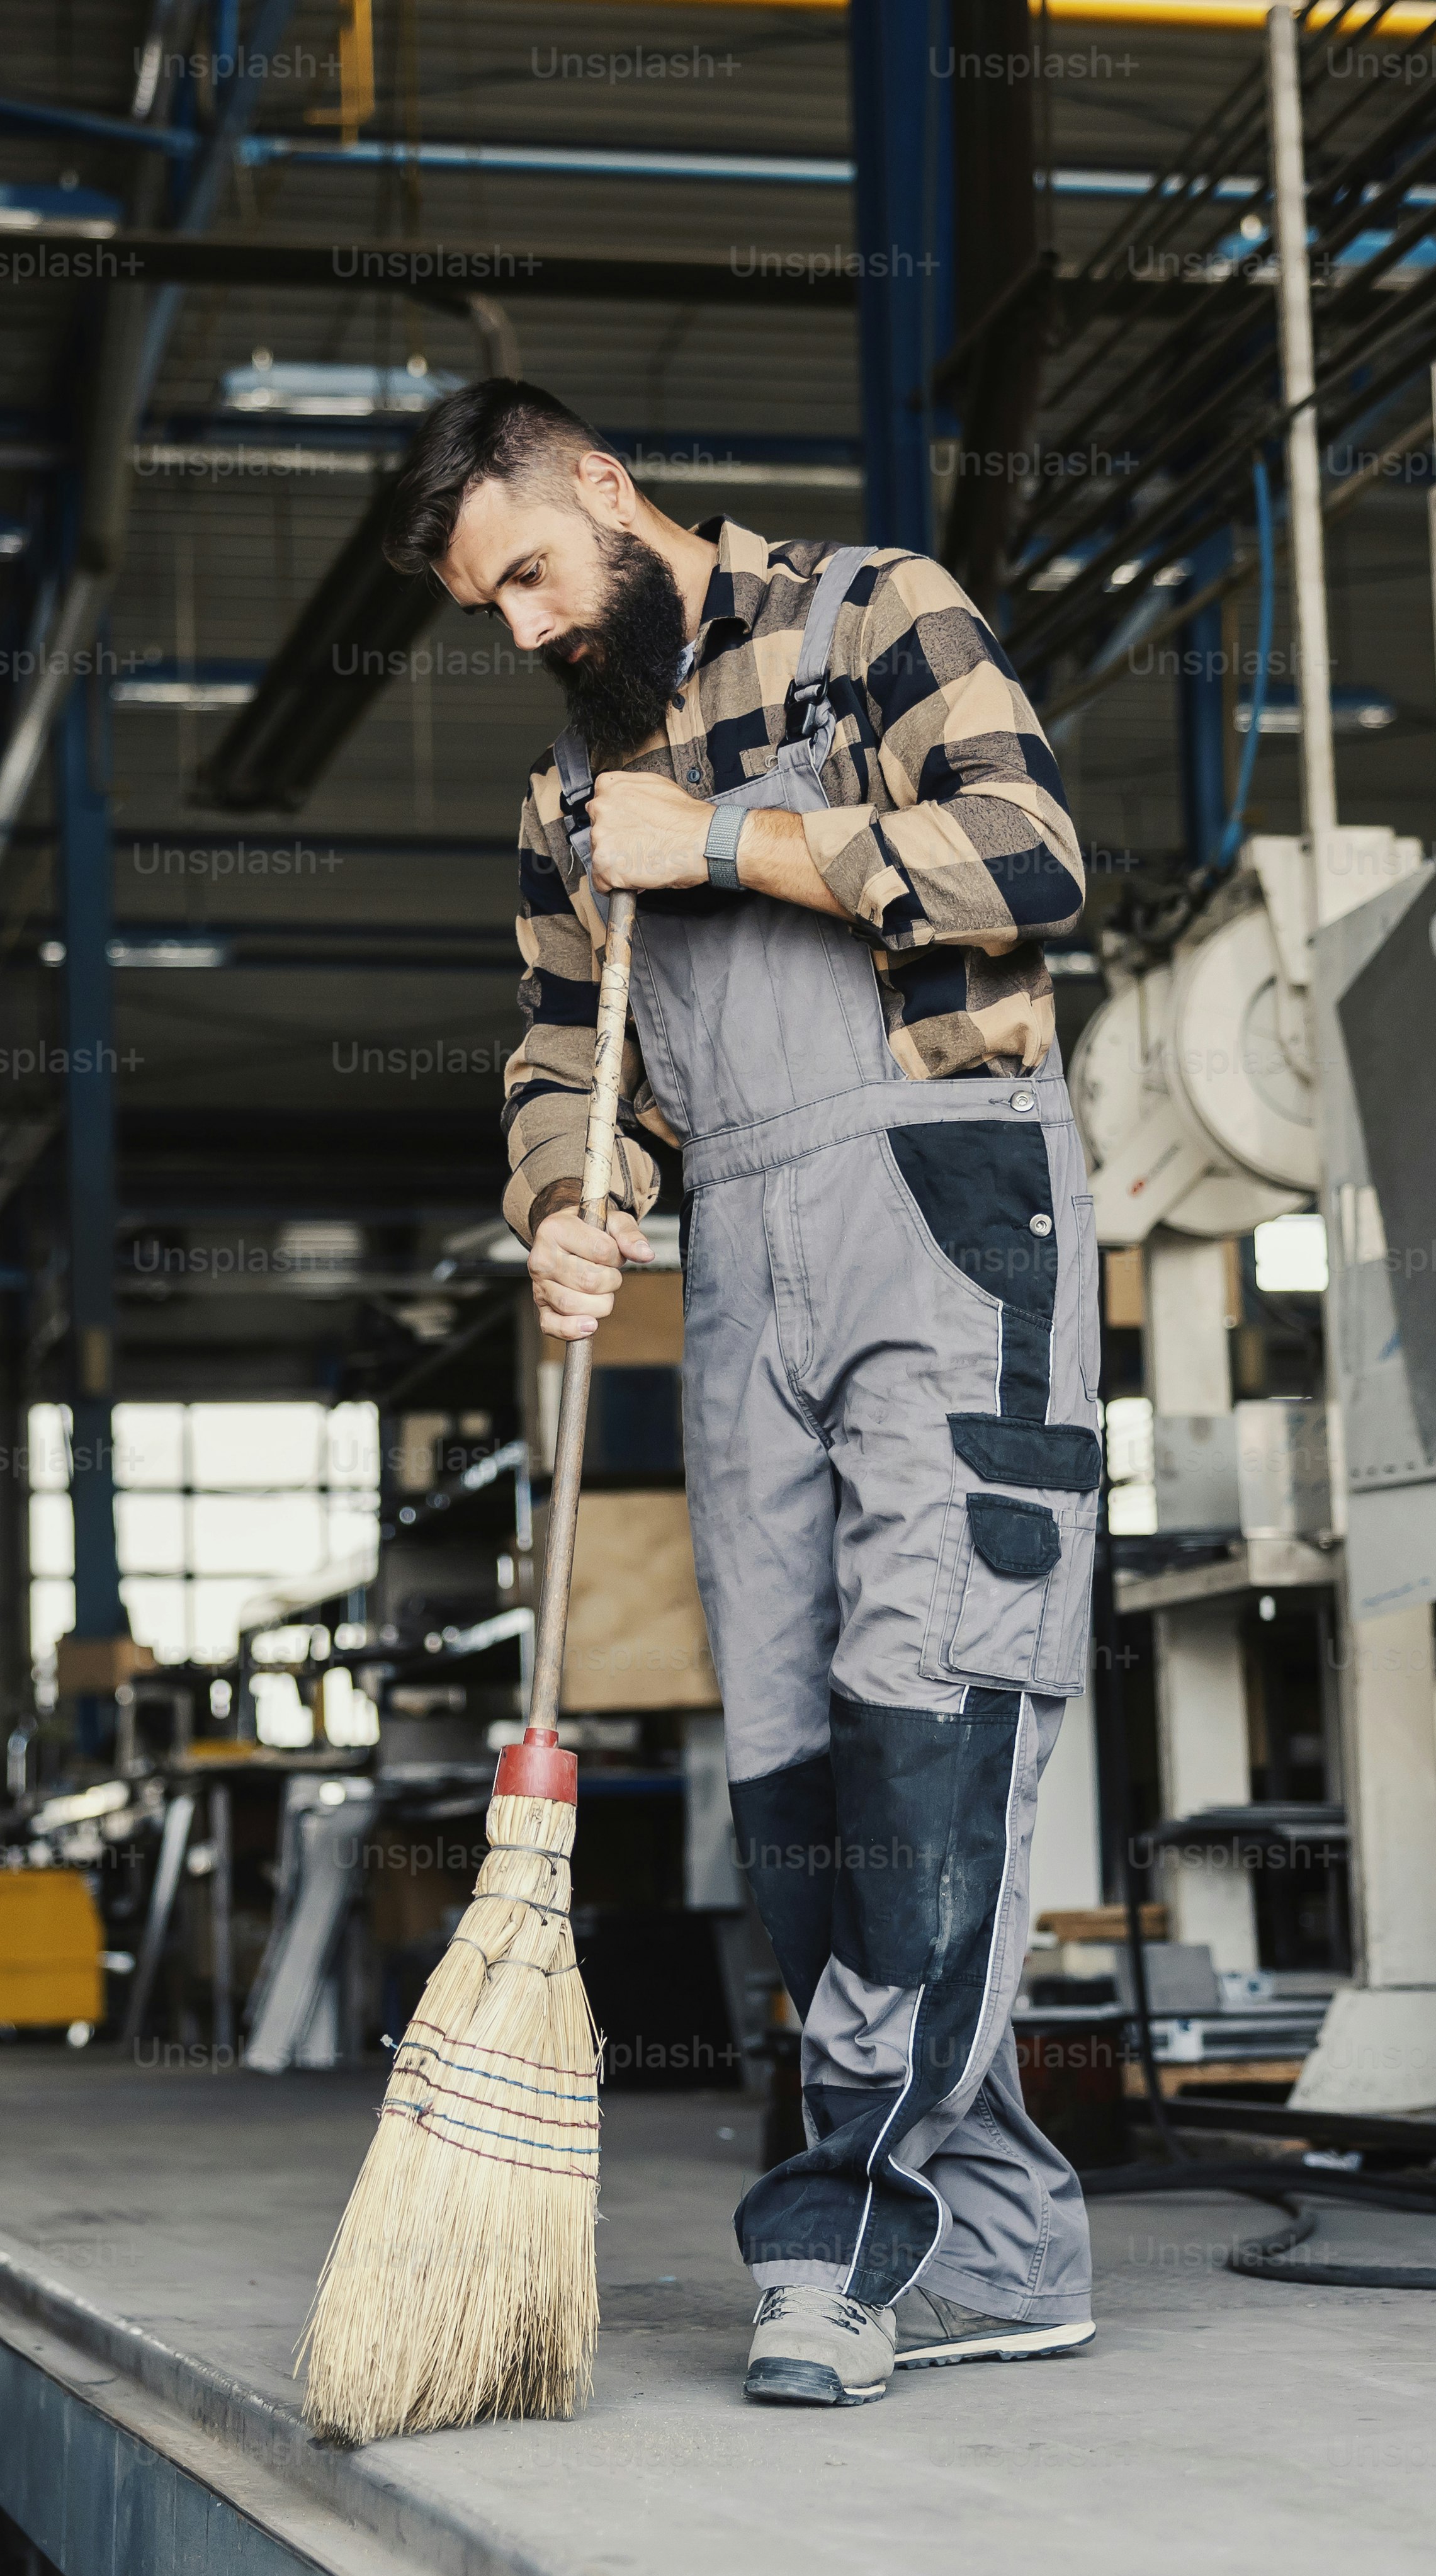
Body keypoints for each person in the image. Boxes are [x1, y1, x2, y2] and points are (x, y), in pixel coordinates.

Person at [378, 380, 1105, 2407]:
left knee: (932, 1713)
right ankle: (1010, 2240)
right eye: (485, 608)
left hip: (946, 1201)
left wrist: (717, 838)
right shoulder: (563, 803)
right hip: (748, 1257)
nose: (523, 624)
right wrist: (570, 1194)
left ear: (606, 486)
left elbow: (1035, 856)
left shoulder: (871, 617)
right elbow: (553, 1049)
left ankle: (847, 2227)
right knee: (791, 1768)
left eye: (528, 570)